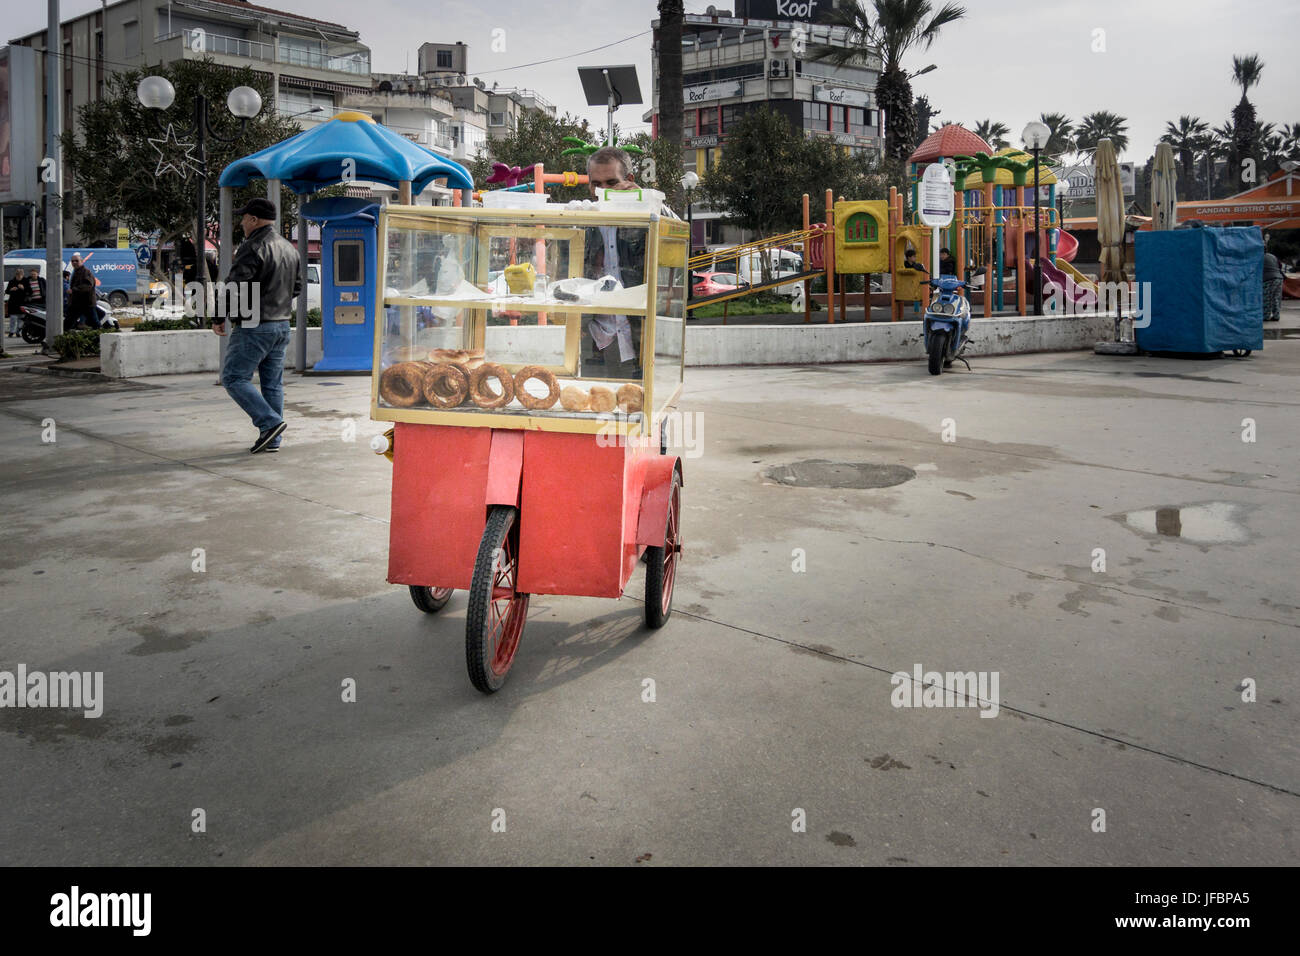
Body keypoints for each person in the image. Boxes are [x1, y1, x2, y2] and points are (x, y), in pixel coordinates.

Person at [213, 197, 300, 454]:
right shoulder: (289, 247)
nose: (241, 223)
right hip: (281, 324)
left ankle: (270, 423)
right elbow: (297, 287)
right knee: (272, 384)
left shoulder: (253, 246)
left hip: (255, 325)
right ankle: (272, 439)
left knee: (233, 377)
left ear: (253, 219)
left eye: (244, 218)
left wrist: (219, 316)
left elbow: (234, 285)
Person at [581, 146, 650, 378]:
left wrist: (645, 200)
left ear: (629, 180)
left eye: (611, 182)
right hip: (596, 339)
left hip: (639, 334)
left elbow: (678, 231)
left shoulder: (644, 217)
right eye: (596, 184)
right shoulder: (582, 219)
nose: (602, 190)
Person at [67, 255, 101, 328]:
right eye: (72, 261)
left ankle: (101, 337)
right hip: (77, 303)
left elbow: (88, 285)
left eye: (76, 261)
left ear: (82, 261)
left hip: (86, 303)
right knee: (68, 322)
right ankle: (63, 337)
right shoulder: (76, 272)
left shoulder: (86, 272)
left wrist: (74, 290)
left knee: (95, 323)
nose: (74, 262)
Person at [1262, 246, 1283, 322]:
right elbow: (1280, 265)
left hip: (1268, 279)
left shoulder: (1259, 258)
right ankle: (1276, 316)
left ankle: (1266, 316)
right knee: (1275, 297)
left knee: (1266, 298)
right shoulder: (1272, 256)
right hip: (1279, 278)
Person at [5, 269, 28, 336]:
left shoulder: (26, 281)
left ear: (23, 275)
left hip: (23, 302)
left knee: (21, 318)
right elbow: (7, 291)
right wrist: (11, 289)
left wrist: (23, 288)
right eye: (17, 275)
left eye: (20, 275)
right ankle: (12, 331)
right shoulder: (11, 281)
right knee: (13, 318)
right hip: (13, 302)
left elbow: (29, 291)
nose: (19, 276)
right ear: (15, 275)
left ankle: (19, 332)